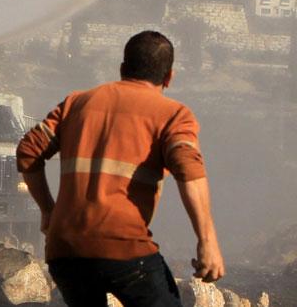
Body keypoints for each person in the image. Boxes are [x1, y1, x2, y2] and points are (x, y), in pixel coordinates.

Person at [17, 31, 224, 307]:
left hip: (65, 251)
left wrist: (48, 211)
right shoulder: (173, 115)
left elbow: (28, 151)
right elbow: (190, 172)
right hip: (124, 248)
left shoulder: (76, 103)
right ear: (169, 77)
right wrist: (207, 241)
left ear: (123, 68)